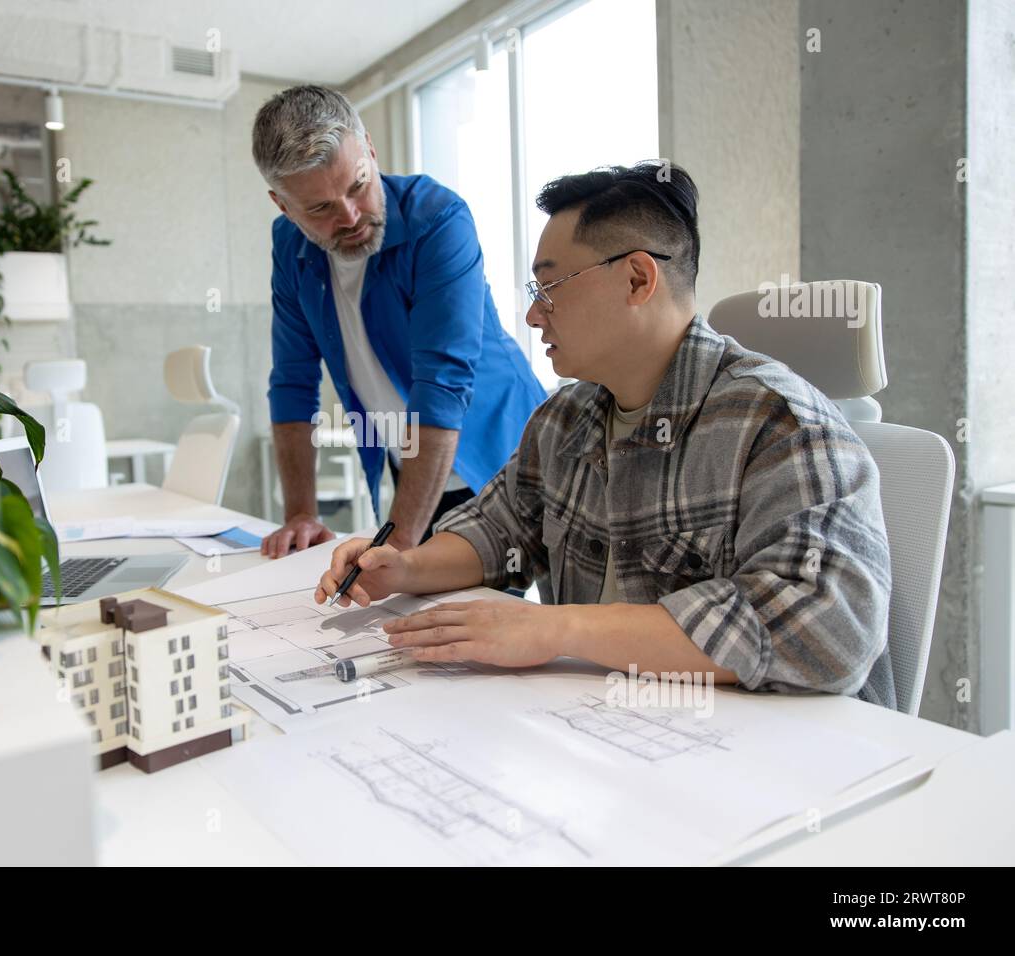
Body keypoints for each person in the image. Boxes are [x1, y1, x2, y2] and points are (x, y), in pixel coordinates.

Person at [314, 161, 896, 705]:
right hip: (612, 725)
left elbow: (828, 633)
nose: (533, 315)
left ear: (638, 279)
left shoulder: (780, 423)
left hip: (770, 748)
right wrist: (405, 567)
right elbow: (498, 529)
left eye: (549, 288)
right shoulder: (565, 418)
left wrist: (555, 628)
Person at [252, 85, 545, 557]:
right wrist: (301, 514)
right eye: (321, 208)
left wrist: (400, 544)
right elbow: (292, 382)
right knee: (418, 596)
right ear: (283, 205)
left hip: (503, 452)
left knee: (503, 598)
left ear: (369, 149)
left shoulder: (438, 219)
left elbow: (442, 383)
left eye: (358, 185)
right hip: (414, 462)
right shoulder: (290, 246)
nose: (350, 217)